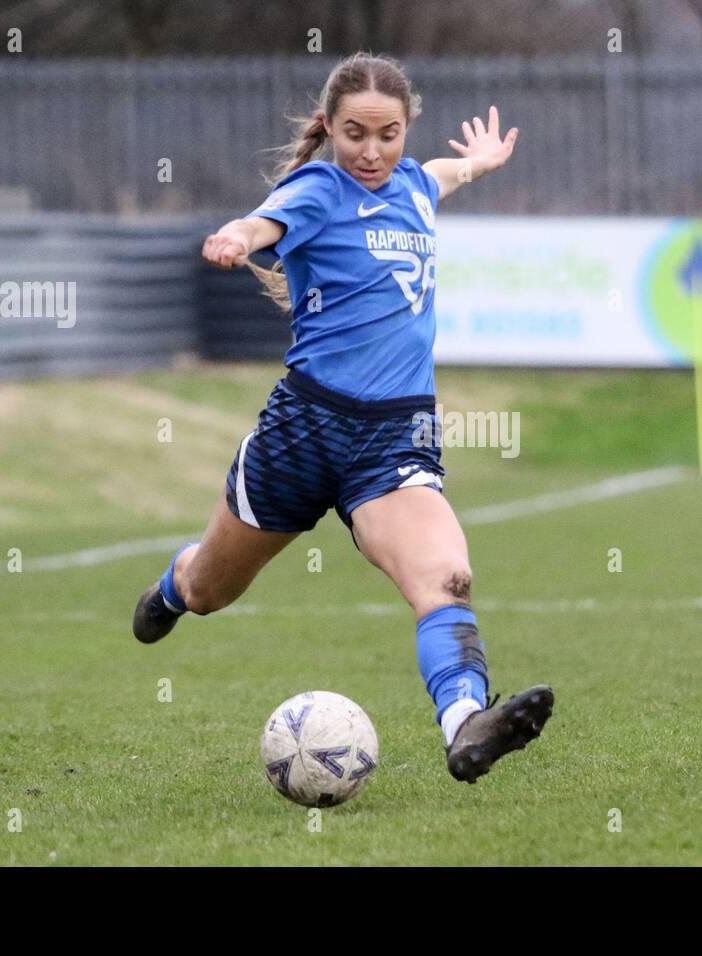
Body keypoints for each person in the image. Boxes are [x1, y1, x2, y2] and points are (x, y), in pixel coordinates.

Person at [131, 52, 552, 784]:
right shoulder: (319, 189)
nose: (371, 151)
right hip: (303, 434)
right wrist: (237, 237)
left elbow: (438, 178)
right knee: (211, 591)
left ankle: (466, 726)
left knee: (446, 578)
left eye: (388, 135)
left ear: (406, 130)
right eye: (355, 133)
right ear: (329, 128)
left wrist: (478, 164)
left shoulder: (416, 185)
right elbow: (263, 221)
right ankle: (171, 589)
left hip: (393, 438)